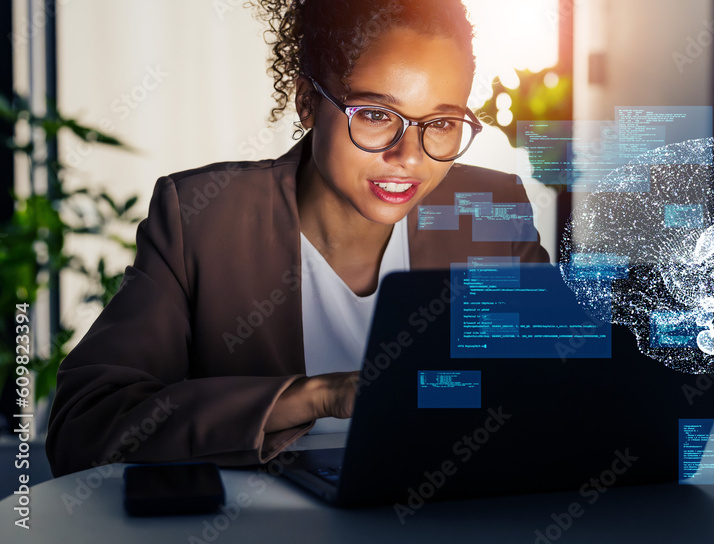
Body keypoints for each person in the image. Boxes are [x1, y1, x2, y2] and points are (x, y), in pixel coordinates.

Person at [45, 0, 549, 477]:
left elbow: (562, 388)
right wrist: (318, 396)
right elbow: (84, 427)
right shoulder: (203, 219)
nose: (409, 157)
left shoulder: (489, 210)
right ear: (308, 103)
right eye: (375, 115)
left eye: (440, 123)